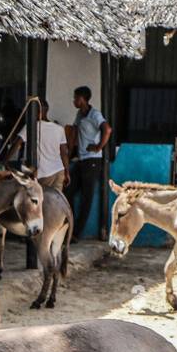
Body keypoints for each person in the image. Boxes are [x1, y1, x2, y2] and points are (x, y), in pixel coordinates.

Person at [68, 85, 112, 242]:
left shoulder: (95, 114)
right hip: (81, 159)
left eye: (76, 98)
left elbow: (107, 129)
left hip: (92, 160)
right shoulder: (80, 114)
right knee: (68, 191)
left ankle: (76, 233)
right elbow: (74, 131)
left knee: (87, 198)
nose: (74, 101)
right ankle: (69, 228)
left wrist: (99, 146)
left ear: (83, 99)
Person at [11, 98, 69, 189]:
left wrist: (4, 162)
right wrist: (67, 172)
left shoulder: (30, 127)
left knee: (40, 201)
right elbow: (64, 153)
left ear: (34, 111)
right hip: (59, 171)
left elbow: (16, 144)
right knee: (55, 201)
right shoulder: (59, 129)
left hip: (44, 173)